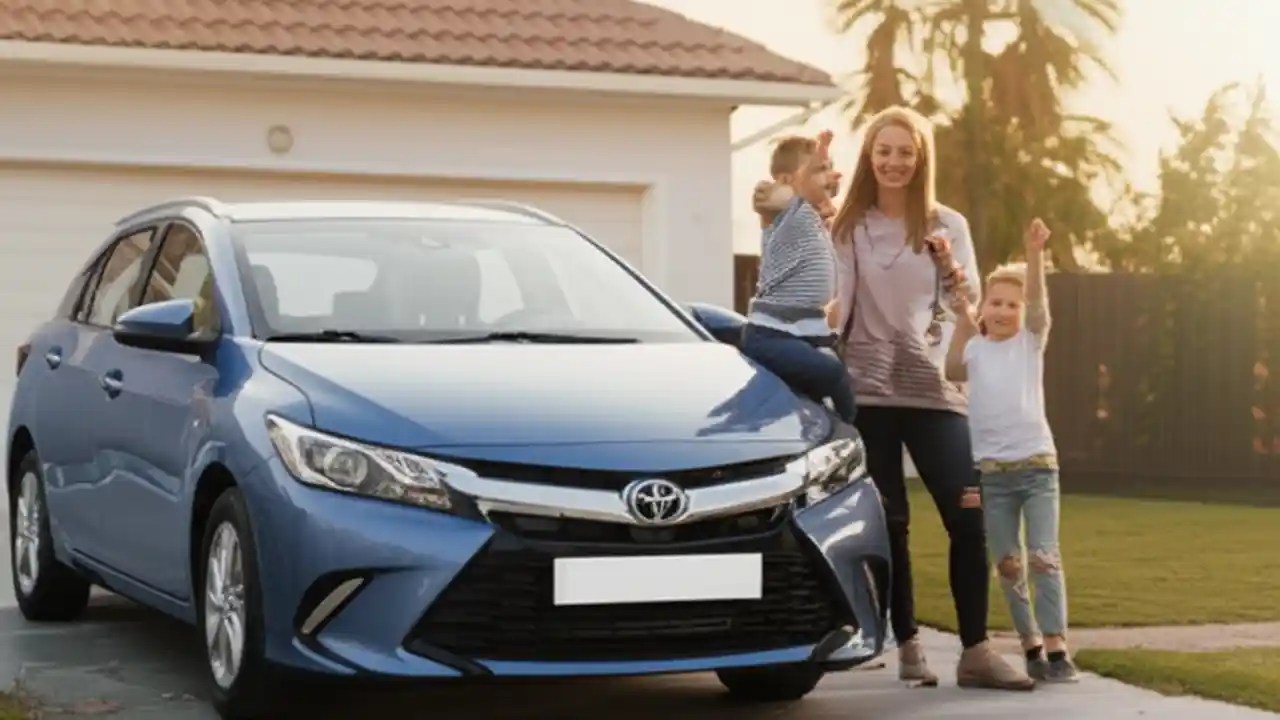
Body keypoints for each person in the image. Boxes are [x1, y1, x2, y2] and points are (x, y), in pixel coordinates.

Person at [826, 106, 1034, 690]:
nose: (894, 162)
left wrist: (962, 287)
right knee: (891, 522)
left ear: (921, 161)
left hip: (935, 391)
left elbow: (967, 316)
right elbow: (838, 307)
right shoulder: (849, 227)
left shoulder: (948, 224)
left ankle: (975, 653)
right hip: (867, 392)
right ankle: (908, 643)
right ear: (870, 157)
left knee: (968, 517)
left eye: (906, 153)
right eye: (884, 151)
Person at [945, 218, 1080, 683]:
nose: (1002, 311)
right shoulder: (978, 350)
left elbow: (1042, 306)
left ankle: (1059, 648)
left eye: (1011, 304)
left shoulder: (1030, 343)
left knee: (1044, 556)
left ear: (1023, 311)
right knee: (1008, 565)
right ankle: (1031, 646)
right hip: (994, 476)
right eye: (995, 302)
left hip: (1038, 468)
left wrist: (1035, 254)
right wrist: (965, 319)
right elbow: (952, 370)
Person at [741, 131, 857, 425]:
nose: (829, 175)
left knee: (833, 378)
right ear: (786, 181)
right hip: (772, 335)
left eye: (829, 167)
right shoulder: (787, 213)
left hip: (803, 330)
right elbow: (771, 196)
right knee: (832, 373)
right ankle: (852, 435)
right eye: (819, 168)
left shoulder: (811, 216)